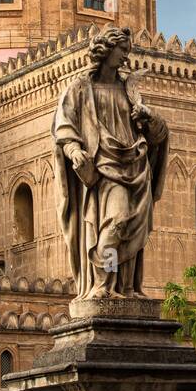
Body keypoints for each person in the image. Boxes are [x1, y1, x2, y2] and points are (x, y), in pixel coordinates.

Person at [52, 26, 168, 298]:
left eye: (128, 51)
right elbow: (65, 128)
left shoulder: (129, 89)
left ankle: (125, 289)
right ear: (106, 50)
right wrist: (74, 151)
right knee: (116, 221)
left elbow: (158, 135)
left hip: (136, 166)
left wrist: (148, 116)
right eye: (122, 50)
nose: (126, 57)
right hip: (104, 169)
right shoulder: (80, 88)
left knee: (130, 230)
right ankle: (102, 286)